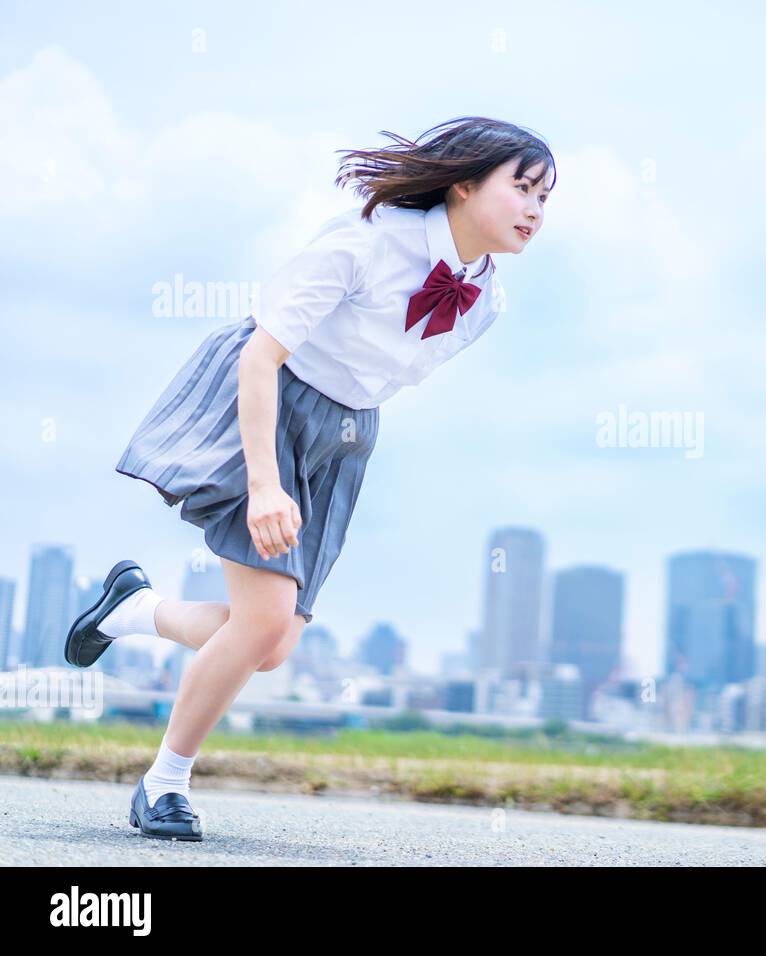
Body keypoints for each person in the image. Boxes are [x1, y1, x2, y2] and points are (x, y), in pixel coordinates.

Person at [63, 116, 555, 840]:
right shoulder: (364, 243)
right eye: (522, 188)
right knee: (261, 622)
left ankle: (128, 610)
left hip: (348, 436)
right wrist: (265, 484)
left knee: (272, 648)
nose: (537, 210)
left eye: (546, 197)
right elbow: (258, 359)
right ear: (462, 184)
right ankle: (163, 786)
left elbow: (382, 376)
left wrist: (333, 447)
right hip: (267, 402)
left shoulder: (488, 302)